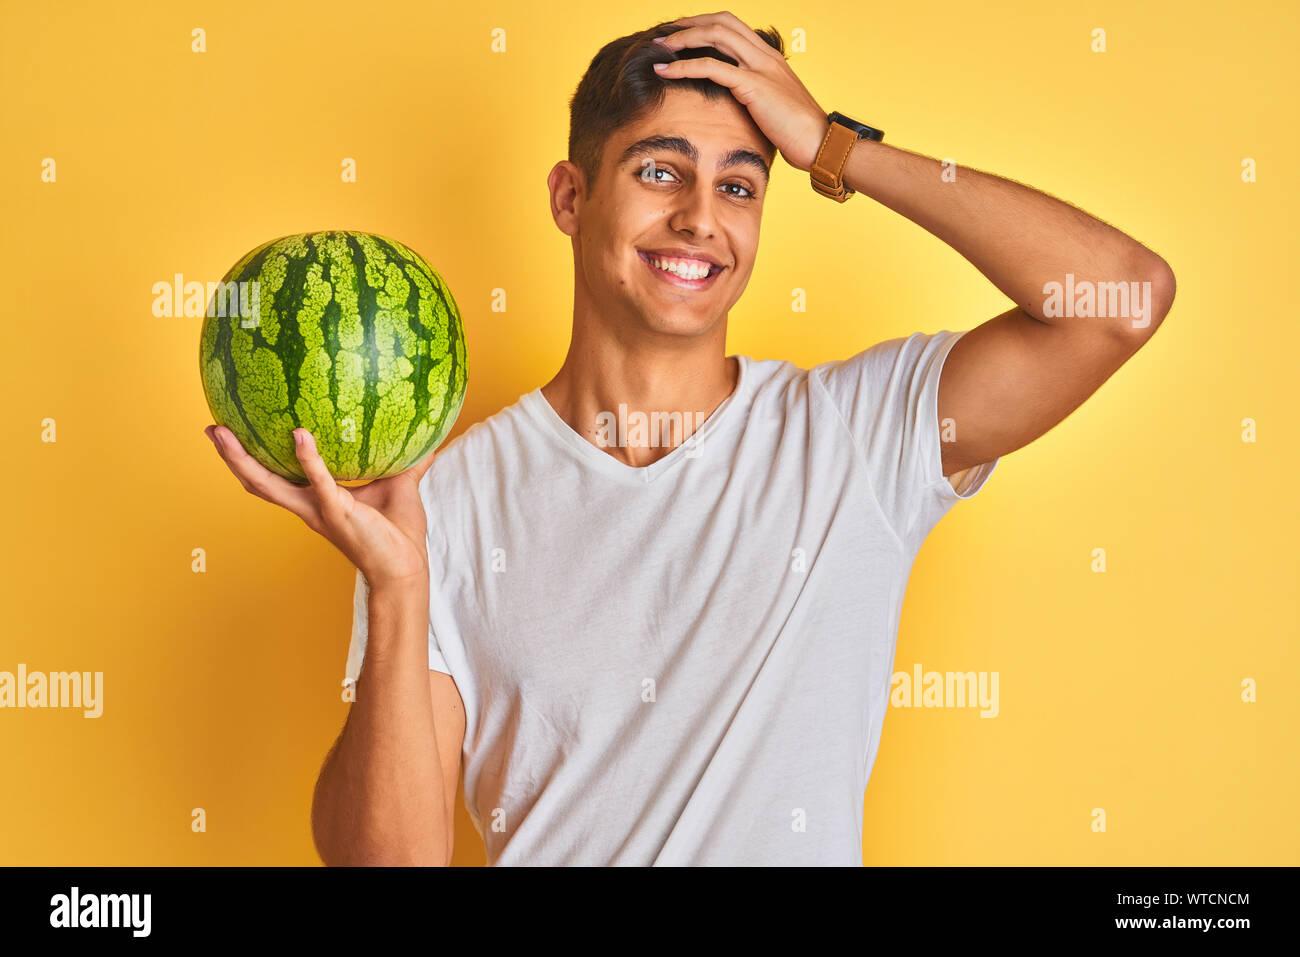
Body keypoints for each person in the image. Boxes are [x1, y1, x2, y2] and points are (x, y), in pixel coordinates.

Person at [205, 12, 1175, 866]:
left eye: (741, 188)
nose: (700, 219)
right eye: (660, 170)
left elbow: (1121, 299)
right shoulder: (438, 500)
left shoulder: (857, 439)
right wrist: (397, 584)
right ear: (570, 198)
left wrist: (832, 147)